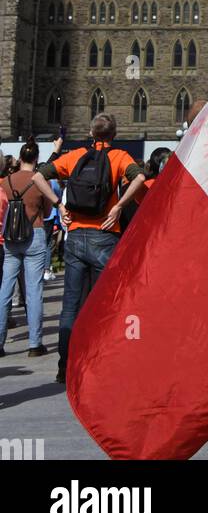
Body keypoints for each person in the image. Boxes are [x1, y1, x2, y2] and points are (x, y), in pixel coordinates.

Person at [39, 114, 147, 384]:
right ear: (114, 133)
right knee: (102, 305)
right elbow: (140, 177)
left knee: (70, 307)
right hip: (104, 235)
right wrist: (119, 206)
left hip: (75, 236)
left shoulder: (75, 156)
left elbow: (40, 176)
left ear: (90, 132)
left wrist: (59, 205)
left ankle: (65, 366)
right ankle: (97, 361)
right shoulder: (120, 157)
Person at [0, 138, 58, 357]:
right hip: (35, 232)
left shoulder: (6, 181)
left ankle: (0, 341)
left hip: (11, 237)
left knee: (5, 288)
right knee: (34, 291)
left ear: (21, 157)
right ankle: (35, 343)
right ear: (36, 158)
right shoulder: (40, 180)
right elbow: (47, 210)